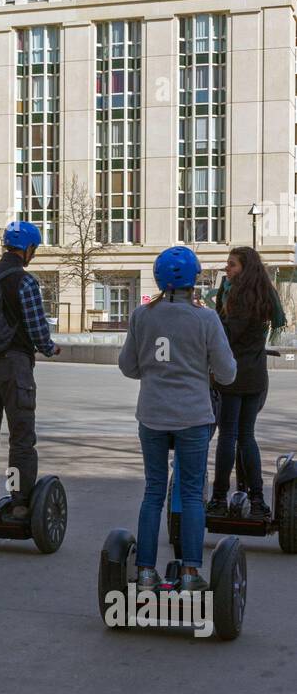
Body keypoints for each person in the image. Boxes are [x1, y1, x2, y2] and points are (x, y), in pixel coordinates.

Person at [118, 246, 236, 592]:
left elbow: (128, 366)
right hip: (193, 416)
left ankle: (144, 573)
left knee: (153, 491)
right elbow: (227, 373)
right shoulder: (206, 318)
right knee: (191, 490)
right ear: (194, 279)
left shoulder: (142, 315)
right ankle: (189, 573)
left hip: (152, 413)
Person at [0, 220, 60, 520]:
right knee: (20, 436)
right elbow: (37, 329)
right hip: (14, 364)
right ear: (29, 249)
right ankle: (18, 501)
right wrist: (50, 348)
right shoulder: (24, 282)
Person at [207, 246, 287, 520]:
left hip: (232, 375)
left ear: (245, 268)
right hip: (255, 375)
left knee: (229, 437)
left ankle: (219, 498)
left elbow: (226, 334)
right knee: (247, 436)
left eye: (231, 265)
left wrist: (211, 316)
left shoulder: (240, 298)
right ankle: (256, 499)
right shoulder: (263, 293)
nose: (226, 269)